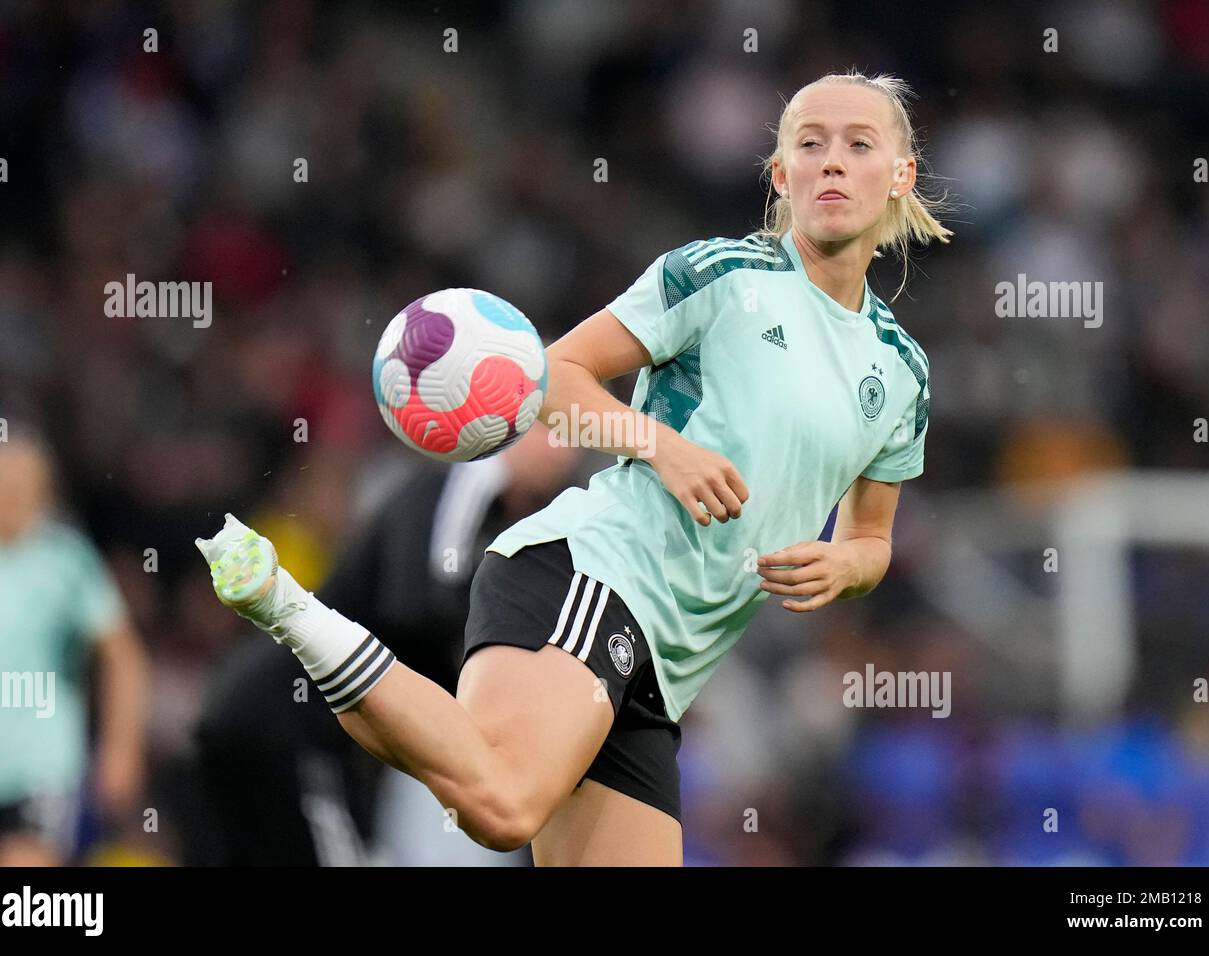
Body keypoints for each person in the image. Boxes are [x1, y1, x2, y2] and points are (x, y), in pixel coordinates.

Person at [196, 69, 950, 866]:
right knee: (503, 803)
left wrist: (845, 566)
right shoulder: (722, 277)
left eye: (858, 144)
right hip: (596, 574)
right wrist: (663, 445)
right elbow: (550, 378)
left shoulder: (902, 371)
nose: (832, 161)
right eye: (810, 143)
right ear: (779, 176)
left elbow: (873, 541)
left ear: (900, 175)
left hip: (667, 668)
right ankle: (282, 599)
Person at [189, 421, 582, 866]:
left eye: (570, 436)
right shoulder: (447, 486)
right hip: (287, 721)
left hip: (263, 716)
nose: (561, 451)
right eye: (548, 429)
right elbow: (410, 605)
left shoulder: (514, 522)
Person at [0, 430, 148, 865]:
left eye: (20, 486)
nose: (7, 497)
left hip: (37, 769)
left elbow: (122, 657)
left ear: (43, 495)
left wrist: (121, 747)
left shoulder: (65, 562)